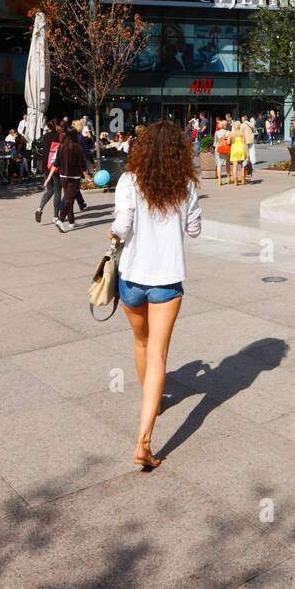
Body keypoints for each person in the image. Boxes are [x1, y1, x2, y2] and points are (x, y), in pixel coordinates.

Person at [109, 121, 202, 469]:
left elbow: (121, 227)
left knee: (141, 343)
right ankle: (144, 443)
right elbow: (194, 230)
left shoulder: (128, 181)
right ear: (179, 151)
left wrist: (112, 232)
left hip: (131, 278)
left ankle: (155, 398)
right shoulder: (186, 185)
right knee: (159, 355)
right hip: (166, 280)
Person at [47, 126, 87, 232]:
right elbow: (81, 164)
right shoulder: (78, 147)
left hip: (63, 176)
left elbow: (56, 163)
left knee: (68, 198)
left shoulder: (61, 146)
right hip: (74, 177)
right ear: (75, 135)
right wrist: (87, 175)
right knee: (70, 199)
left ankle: (72, 221)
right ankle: (60, 220)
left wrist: (49, 177)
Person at [229, 122, 248, 186]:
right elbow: (244, 143)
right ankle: (243, 180)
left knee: (235, 165)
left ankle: (235, 181)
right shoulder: (241, 133)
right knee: (243, 164)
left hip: (234, 149)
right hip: (241, 148)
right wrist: (247, 152)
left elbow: (228, 142)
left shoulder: (231, 133)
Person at [240, 113, 257, 179]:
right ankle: (253, 161)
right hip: (251, 139)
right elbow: (254, 130)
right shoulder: (250, 123)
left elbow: (240, 131)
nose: (241, 120)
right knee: (252, 151)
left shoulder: (243, 125)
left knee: (246, 152)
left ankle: (246, 162)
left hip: (246, 140)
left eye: (242, 119)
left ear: (243, 119)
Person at [214, 119, 230, 186]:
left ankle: (219, 180)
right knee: (227, 164)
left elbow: (215, 143)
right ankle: (228, 178)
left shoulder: (217, 133)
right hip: (226, 149)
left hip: (219, 149)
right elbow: (230, 142)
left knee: (219, 164)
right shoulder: (228, 132)